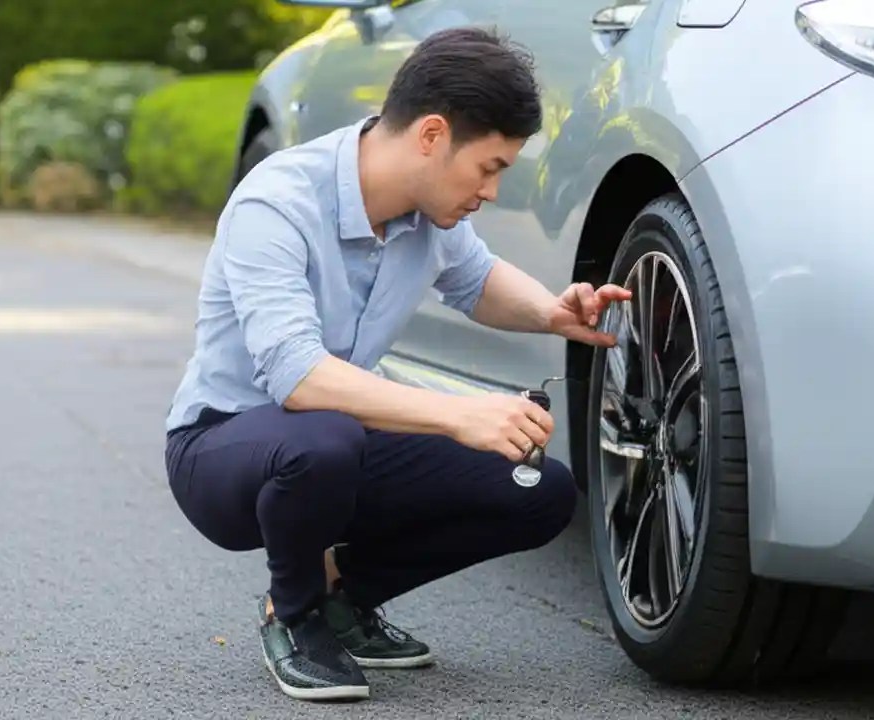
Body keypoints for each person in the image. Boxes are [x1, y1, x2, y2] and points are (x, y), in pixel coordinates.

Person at [162, 26, 631, 703]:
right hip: (221, 448)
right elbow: (299, 379)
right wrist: (460, 415)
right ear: (432, 136)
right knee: (326, 438)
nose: (492, 191)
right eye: (491, 167)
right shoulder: (279, 203)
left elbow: (478, 280)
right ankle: (293, 615)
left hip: (337, 441)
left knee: (540, 491)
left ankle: (340, 602)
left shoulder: (428, 215)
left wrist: (553, 311)